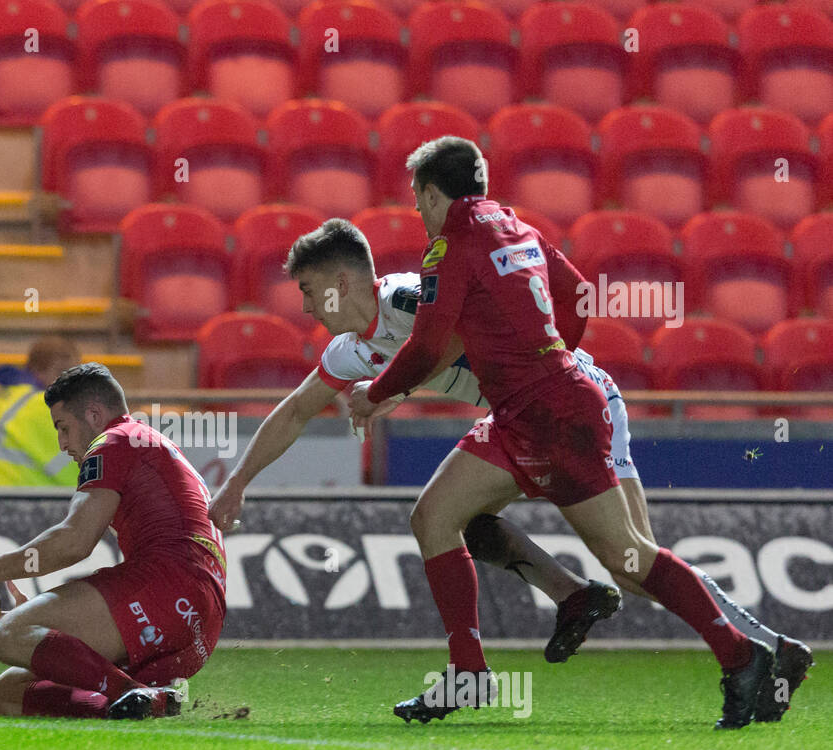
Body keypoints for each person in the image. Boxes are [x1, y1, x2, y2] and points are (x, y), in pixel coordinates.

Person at [207, 218, 809, 722]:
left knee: (630, 562)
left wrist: (392, 389)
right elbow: (292, 414)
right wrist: (236, 483)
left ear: (344, 281)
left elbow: (464, 332)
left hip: (571, 399)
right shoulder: (350, 351)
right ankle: (490, 656)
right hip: (515, 417)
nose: (305, 305)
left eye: (310, 290)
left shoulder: (405, 297)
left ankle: (756, 651)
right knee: (440, 518)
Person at [347, 136, 808, 729]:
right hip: (531, 408)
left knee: (630, 557)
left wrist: (377, 393)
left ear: (434, 193)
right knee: (434, 516)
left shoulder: (451, 247)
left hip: (551, 415)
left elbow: (429, 345)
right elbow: (575, 298)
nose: (417, 212)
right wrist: (545, 354)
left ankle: (743, 657)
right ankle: (470, 675)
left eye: (418, 199)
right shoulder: (521, 231)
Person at [0, 363, 228, 720]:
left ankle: (135, 694)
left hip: (169, 589)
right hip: (198, 626)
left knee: (9, 634)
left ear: (95, 415)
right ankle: (135, 705)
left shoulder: (113, 442)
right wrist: (50, 630)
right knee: (10, 694)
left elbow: (74, 541)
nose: (62, 443)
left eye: (63, 428)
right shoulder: (143, 441)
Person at [0, 336, 82, 487]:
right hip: (12, 505)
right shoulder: (41, 406)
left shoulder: (12, 396)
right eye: (62, 372)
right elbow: (79, 474)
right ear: (38, 372)